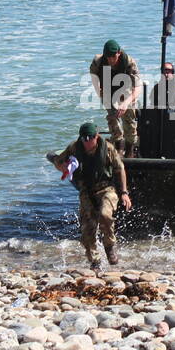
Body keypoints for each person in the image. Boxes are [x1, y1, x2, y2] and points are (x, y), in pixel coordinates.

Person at [55, 121, 132, 269]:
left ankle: (109, 246)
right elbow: (58, 161)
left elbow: (120, 169)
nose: (87, 141)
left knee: (105, 215)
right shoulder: (74, 147)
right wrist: (62, 167)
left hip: (106, 189)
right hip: (86, 190)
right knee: (87, 229)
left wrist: (124, 193)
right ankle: (94, 260)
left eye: (90, 137)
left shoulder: (108, 149)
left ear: (96, 136)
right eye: (84, 138)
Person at [88, 39, 140, 155]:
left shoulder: (129, 62)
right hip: (107, 85)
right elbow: (93, 74)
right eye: (108, 57)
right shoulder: (98, 60)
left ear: (119, 53)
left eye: (113, 57)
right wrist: (98, 90)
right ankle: (118, 148)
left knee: (129, 119)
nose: (111, 60)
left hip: (124, 87)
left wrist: (126, 103)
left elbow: (137, 87)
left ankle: (130, 150)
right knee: (112, 118)